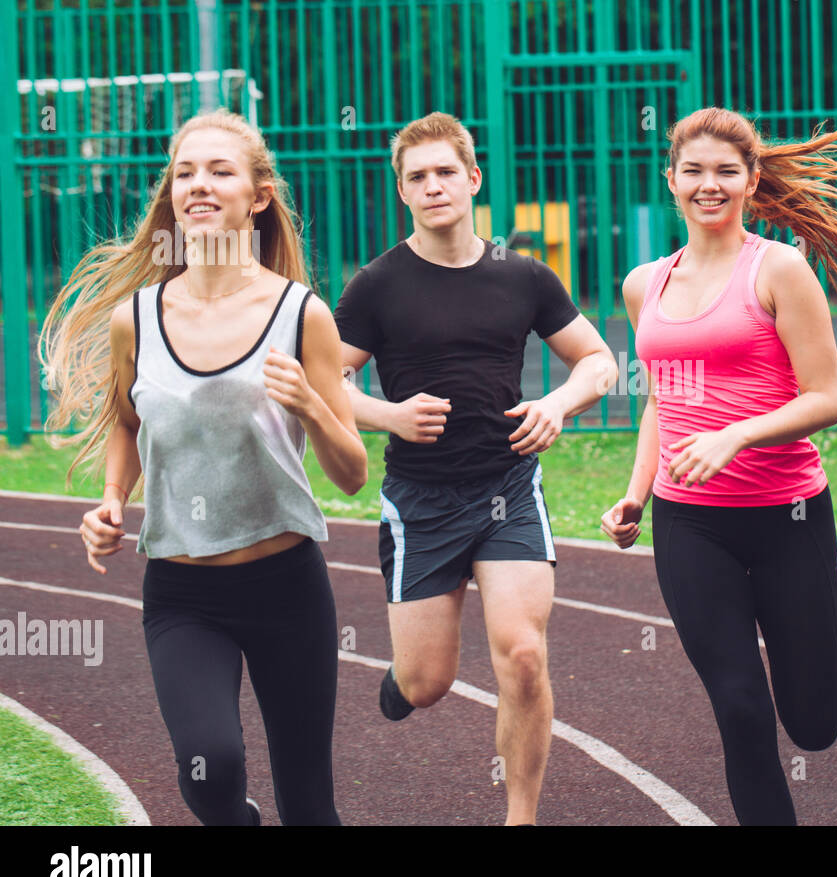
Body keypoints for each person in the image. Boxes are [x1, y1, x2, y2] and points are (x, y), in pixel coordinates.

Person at [39, 110, 367, 825]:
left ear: (257, 196)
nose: (199, 184)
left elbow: (351, 473)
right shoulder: (137, 316)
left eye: (220, 170)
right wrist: (110, 500)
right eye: (185, 172)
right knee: (210, 773)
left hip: (286, 585)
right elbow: (129, 417)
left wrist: (312, 406)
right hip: (183, 594)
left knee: (310, 808)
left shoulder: (301, 314)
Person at [600, 105, 837, 825]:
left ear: (752, 180)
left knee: (813, 723)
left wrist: (737, 436)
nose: (710, 185)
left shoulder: (780, 269)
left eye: (725, 172)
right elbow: (659, 406)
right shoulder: (646, 284)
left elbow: (827, 398)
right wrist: (637, 494)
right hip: (689, 524)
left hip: (788, 514)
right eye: (694, 172)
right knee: (738, 705)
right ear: (670, 180)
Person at [332, 111, 616, 826]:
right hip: (420, 499)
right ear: (402, 192)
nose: (433, 187)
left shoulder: (521, 275)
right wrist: (388, 415)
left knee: (522, 655)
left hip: (508, 488)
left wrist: (558, 403)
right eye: (417, 178)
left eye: (444, 173)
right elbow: (323, 383)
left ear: (472, 179)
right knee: (429, 682)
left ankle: (520, 819)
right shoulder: (376, 286)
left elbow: (600, 360)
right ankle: (403, 681)